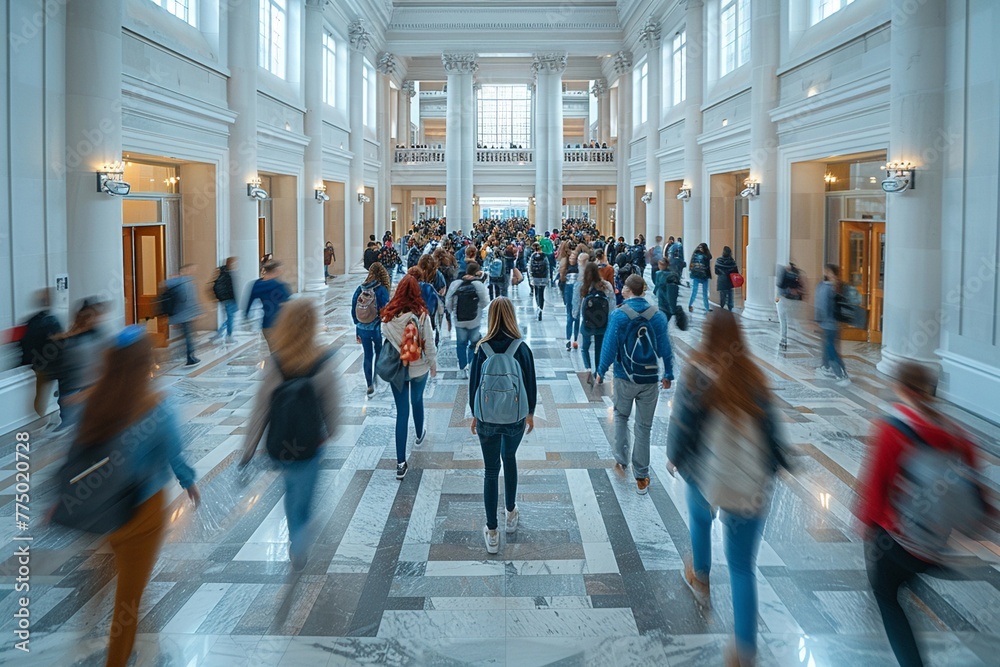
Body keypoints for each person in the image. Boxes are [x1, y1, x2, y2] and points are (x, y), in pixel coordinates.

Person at [66, 325, 200, 667]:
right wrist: (188, 482)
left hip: (102, 506)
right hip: (144, 510)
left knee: (110, 560)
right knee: (129, 602)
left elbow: (77, 454)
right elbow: (174, 451)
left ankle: (87, 619)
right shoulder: (157, 405)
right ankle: (117, 659)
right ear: (147, 364)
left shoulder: (92, 401)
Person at [666, 309, 790, 667]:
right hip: (751, 484)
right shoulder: (755, 378)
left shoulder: (697, 376)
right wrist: (778, 466)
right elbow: (773, 436)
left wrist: (674, 457)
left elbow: (684, 426)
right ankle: (743, 650)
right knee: (741, 567)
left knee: (700, 520)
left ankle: (700, 576)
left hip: (706, 474)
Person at [857, 363, 988, 667]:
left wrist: (866, 527)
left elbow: (875, 492)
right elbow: (977, 494)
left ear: (902, 389)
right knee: (904, 582)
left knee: (887, 598)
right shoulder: (959, 437)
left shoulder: (892, 430)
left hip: (897, 540)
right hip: (935, 544)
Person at [240, 300, 339, 571]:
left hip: (281, 444)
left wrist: (248, 449)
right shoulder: (323, 361)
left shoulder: (276, 362)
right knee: (304, 494)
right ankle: (299, 540)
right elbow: (331, 405)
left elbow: (260, 408)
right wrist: (331, 429)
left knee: (290, 489)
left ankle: (296, 532)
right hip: (310, 442)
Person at [468, 297, 537, 554]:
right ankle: (510, 512)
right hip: (514, 417)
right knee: (509, 458)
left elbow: (474, 384)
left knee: (489, 470)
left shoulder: (482, 348)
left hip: (486, 417)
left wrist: (474, 414)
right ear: (512, 316)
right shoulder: (522, 348)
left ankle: (492, 531)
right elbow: (530, 384)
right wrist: (530, 413)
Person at [596, 275, 674, 495]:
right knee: (644, 428)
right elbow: (665, 348)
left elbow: (609, 346)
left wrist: (601, 371)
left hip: (624, 376)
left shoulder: (619, 315)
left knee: (621, 416)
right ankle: (642, 476)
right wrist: (668, 372)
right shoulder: (657, 316)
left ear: (627, 290)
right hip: (649, 379)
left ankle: (621, 461)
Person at [382, 275, 438, 480]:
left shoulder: (389, 316)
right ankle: (419, 434)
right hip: (418, 367)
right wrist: (433, 364)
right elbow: (429, 343)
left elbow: (384, 334)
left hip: (397, 369)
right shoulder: (421, 315)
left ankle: (400, 463)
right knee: (417, 400)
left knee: (401, 413)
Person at [19, 288, 63, 426]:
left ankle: (41, 419)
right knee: (56, 392)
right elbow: (60, 343)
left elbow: (24, 343)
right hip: (50, 365)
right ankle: (43, 421)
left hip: (39, 365)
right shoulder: (52, 322)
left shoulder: (31, 321)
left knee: (41, 397)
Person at [572, 262, 615, 386]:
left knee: (585, 346)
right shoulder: (605, 285)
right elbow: (612, 302)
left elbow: (576, 302)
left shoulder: (582, 285)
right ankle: (598, 373)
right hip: (602, 322)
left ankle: (588, 368)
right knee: (599, 348)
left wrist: (575, 315)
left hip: (587, 322)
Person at [352, 262, 391, 397]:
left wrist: (357, 328)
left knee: (367, 355)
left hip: (362, 327)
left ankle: (369, 384)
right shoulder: (381, 290)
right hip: (376, 327)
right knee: (379, 352)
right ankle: (376, 378)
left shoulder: (360, 288)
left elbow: (354, 310)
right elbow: (386, 310)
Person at [446, 261, 490, 378]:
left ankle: (462, 367)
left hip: (459, 319)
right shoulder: (478, 285)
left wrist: (452, 312)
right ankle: (471, 364)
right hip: (474, 319)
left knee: (461, 344)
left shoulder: (456, 284)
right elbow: (485, 302)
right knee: (474, 343)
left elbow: (448, 301)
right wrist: (478, 308)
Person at [814, 263, 849, 384]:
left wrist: (818, 319)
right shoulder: (837, 286)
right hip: (835, 323)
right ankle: (826, 367)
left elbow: (822, 306)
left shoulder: (825, 287)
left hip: (828, 323)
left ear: (828, 272)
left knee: (830, 349)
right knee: (828, 346)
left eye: (826, 270)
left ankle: (841, 374)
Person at [245, 260, 291, 349]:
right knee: (284, 350)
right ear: (276, 271)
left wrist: (246, 316)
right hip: (280, 323)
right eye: (280, 270)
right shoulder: (279, 286)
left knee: (273, 350)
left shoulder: (256, 285)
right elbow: (288, 304)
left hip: (266, 324)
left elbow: (248, 304)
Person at [163, 264, 203, 366]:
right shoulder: (187, 283)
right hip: (186, 315)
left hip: (179, 314)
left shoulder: (175, 283)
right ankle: (190, 357)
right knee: (189, 337)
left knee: (187, 336)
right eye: (192, 269)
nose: (194, 271)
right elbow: (190, 301)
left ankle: (186, 355)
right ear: (184, 271)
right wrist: (197, 313)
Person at [775, 262, 805, 351]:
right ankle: (798, 338)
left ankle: (784, 340)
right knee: (793, 320)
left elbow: (779, 284)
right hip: (793, 300)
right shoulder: (796, 273)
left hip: (784, 299)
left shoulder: (783, 272)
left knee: (783, 321)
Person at [209, 257, 238, 344]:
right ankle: (228, 335)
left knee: (230, 318)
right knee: (231, 318)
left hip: (229, 299)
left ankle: (220, 333)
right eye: (235, 263)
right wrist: (223, 297)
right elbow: (219, 287)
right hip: (228, 299)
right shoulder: (225, 273)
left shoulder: (226, 272)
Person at [560, 246, 582, 350]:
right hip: (568, 294)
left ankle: (575, 339)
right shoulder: (565, 269)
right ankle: (568, 339)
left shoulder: (580, 269)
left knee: (576, 317)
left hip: (576, 295)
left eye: (574, 258)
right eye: (571, 258)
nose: (572, 260)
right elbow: (560, 282)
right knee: (569, 317)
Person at [653, 258, 680, 323]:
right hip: (662, 302)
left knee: (663, 321)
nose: (659, 266)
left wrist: (672, 308)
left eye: (661, 264)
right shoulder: (659, 274)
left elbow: (671, 294)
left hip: (665, 303)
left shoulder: (669, 276)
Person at [687, 243, 712, 314]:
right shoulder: (705, 256)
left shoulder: (695, 255)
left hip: (696, 275)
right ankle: (706, 307)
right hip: (704, 276)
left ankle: (690, 305)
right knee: (704, 292)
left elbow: (691, 265)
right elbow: (709, 260)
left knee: (694, 292)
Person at [714, 246, 740, 312]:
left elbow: (716, 271)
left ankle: (722, 311)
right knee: (730, 297)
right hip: (730, 282)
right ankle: (730, 310)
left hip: (722, 281)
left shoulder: (719, 260)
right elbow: (736, 272)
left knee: (723, 297)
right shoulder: (732, 262)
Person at [528, 243, 549, 320]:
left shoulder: (532, 256)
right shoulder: (544, 256)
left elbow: (529, 267)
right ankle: (541, 309)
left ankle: (538, 307)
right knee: (541, 294)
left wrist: (530, 279)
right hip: (543, 278)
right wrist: (548, 278)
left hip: (535, 277)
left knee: (536, 293)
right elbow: (547, 267)